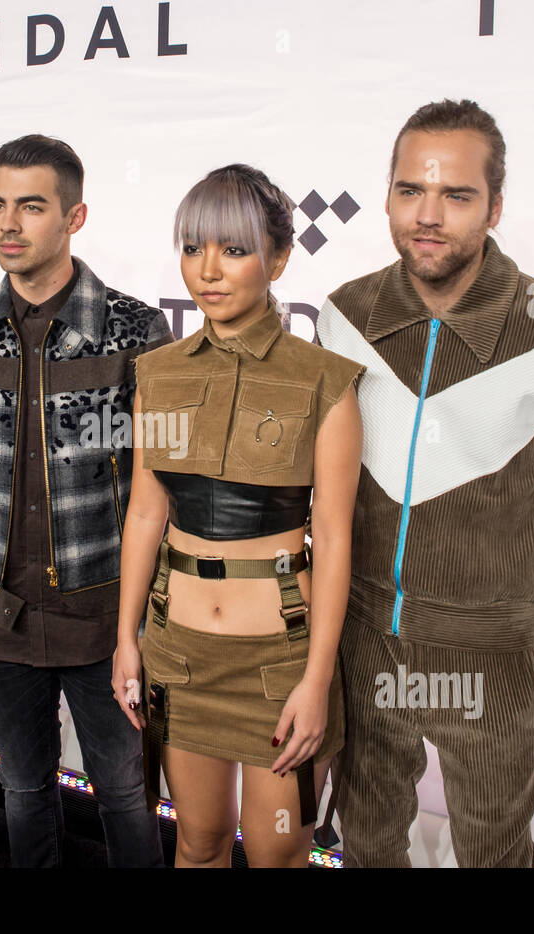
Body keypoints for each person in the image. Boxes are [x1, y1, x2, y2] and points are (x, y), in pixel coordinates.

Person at [316, 98, 534, 867]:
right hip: (364, 642)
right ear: (387, 193)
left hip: (494, 663)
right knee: (368, 843)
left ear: (495, 206)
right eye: (409, 191)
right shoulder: (343, 315)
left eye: (456, 195)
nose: (428, 216)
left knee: (494, 854)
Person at [0, 134, 169, 868]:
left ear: (74, 216)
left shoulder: (133, 330)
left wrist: (150, 619)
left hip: (105, 620)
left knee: (125, 792)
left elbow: (160, 492)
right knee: (22, 789)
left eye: (30, 205)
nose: (8, 224)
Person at [112, 165, 365, 868]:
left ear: (279, 258)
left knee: (279, 854)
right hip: (179, 656)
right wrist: (126, 638)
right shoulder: (158, 373)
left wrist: (315, 682)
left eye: (233, 249)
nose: (207, 270)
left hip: (279, 664)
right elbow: (144, 514)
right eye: (192, 248)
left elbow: (337, 538)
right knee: (197, 845)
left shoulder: (325, 380)